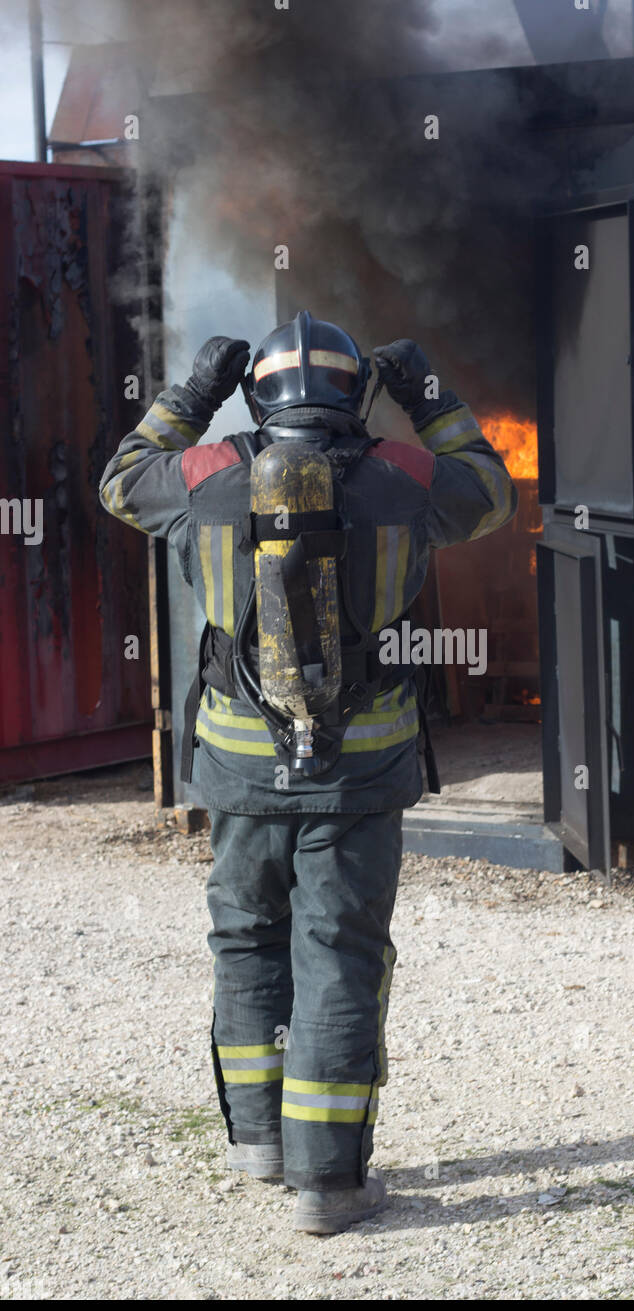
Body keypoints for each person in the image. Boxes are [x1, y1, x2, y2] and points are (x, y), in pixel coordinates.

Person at [99, 310, 517, 1233]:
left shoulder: (206, 475)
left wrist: (191, 397)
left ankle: (259, 1146)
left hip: (241, 765)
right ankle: (327, 1185)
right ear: (353, 392)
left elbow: (119, 483)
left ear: (258, 394)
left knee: (247, 937)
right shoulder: (404, 479)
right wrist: (431, 397)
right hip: (360, 768)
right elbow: (493, 492)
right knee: (339, 953)